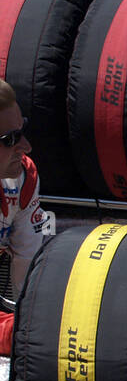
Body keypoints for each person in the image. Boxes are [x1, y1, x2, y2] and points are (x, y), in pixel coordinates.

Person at [0, 79, 51, 355]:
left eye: (22, 131)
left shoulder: (21, 179)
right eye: (9, 140)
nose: (26, 146)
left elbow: (27, 278)